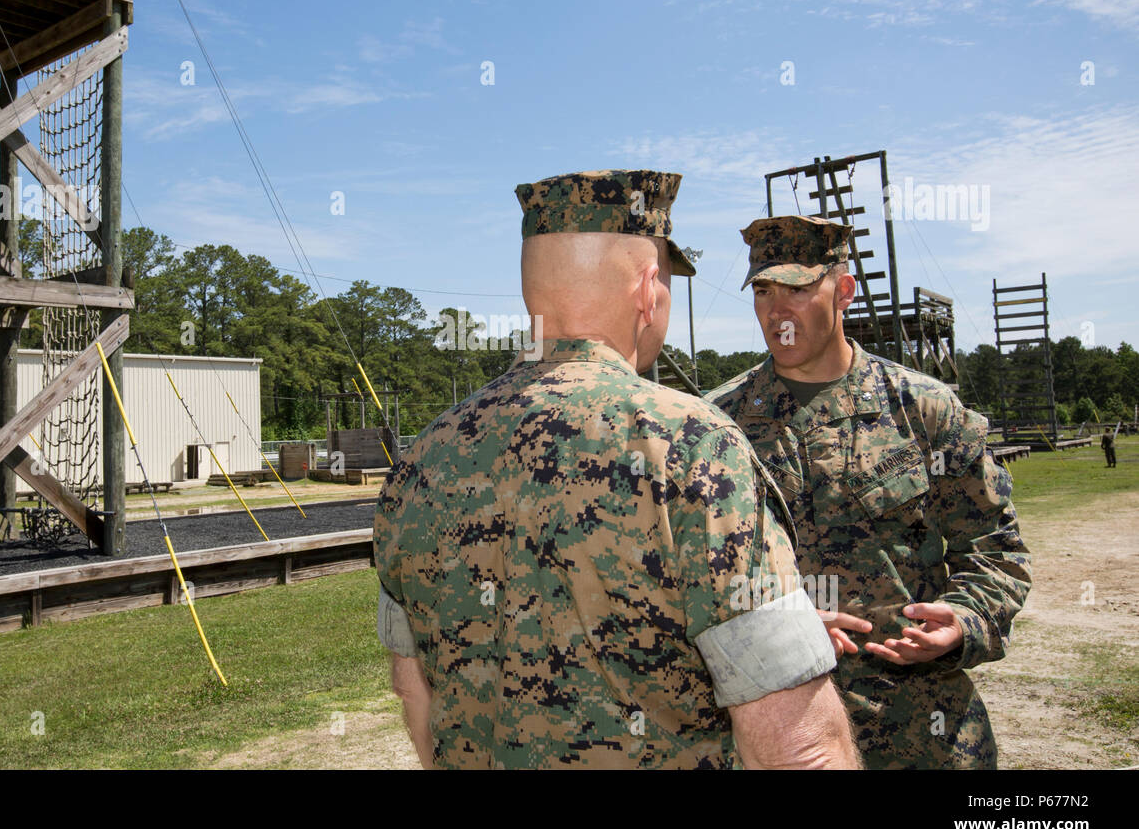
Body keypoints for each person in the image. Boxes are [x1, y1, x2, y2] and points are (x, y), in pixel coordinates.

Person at [373, 171, 859, 769]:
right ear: (647, 289)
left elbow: (413, 689)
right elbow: (797, 746)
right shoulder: (691, 445)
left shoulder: (422, 458)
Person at [706, 214, 1032, 769]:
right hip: (787, 734)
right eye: (763, 291)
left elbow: (996, 548)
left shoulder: (924, 411)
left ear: (844, 293)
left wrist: (963, 620)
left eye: (800, 289)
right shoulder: (717, 428)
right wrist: (781, 623)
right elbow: (694, 582)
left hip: (924, 733)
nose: (777, 311)